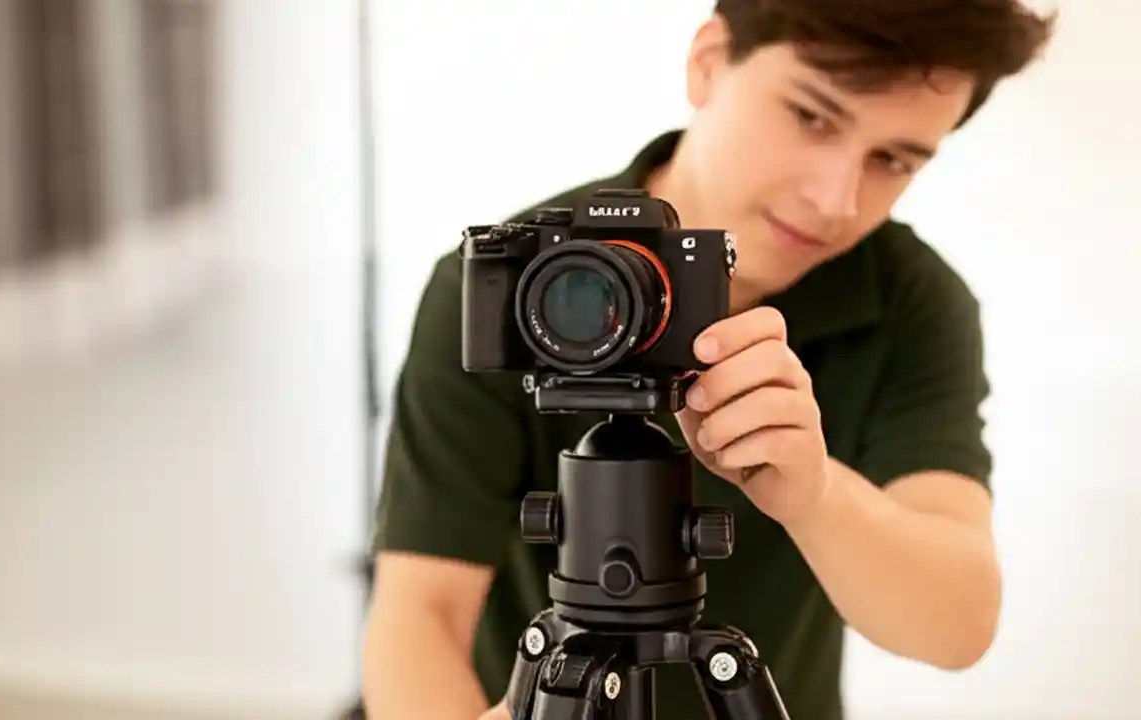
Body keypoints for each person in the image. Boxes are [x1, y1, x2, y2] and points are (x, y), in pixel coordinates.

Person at [361, 2, 1056, 718]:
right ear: (709, 62)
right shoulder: (515, 290)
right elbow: (420, 616)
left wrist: (814, 495)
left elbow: (955, 625)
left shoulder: (910, 299)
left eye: (893, 160)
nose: (834, 200)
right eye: (812, 117)